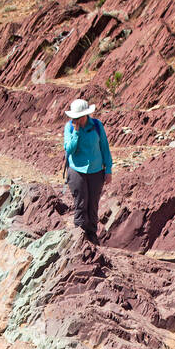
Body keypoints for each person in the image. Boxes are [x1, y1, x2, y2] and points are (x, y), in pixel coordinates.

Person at [63, 98, 113, 243]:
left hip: (96, 171)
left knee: (93, 204)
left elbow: (104, 147)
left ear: (86, 114)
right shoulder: (70, 127)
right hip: (76, 171)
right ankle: (80, 237)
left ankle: (92, 237)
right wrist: (76, 133)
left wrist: (108, 169)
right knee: (81, 203)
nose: (76, 119)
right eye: (74, 117)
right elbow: (69, 149)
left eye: (79, 116)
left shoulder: (97, 125)